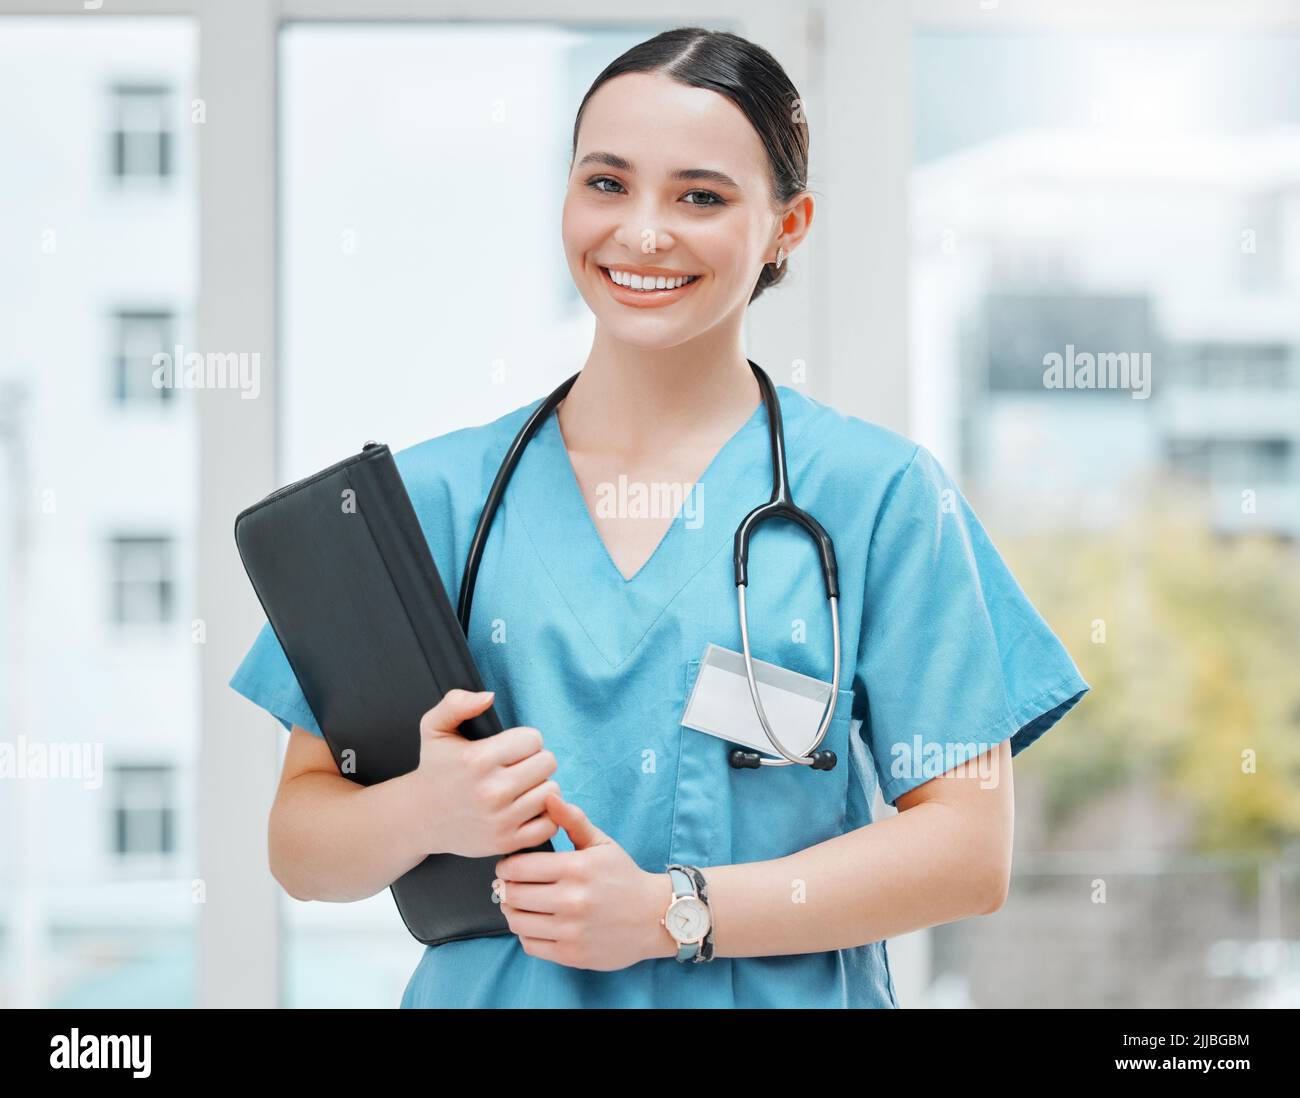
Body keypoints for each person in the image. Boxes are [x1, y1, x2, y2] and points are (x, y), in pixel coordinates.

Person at [229, 26, 1090, 1008]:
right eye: (605, 184)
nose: (642, 232)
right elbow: (301, 844)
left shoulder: (878, 496)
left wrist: (674, 912)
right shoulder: (429, 500)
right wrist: (425, 810)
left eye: (701, 196)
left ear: (788, 224)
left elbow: (966, 852)